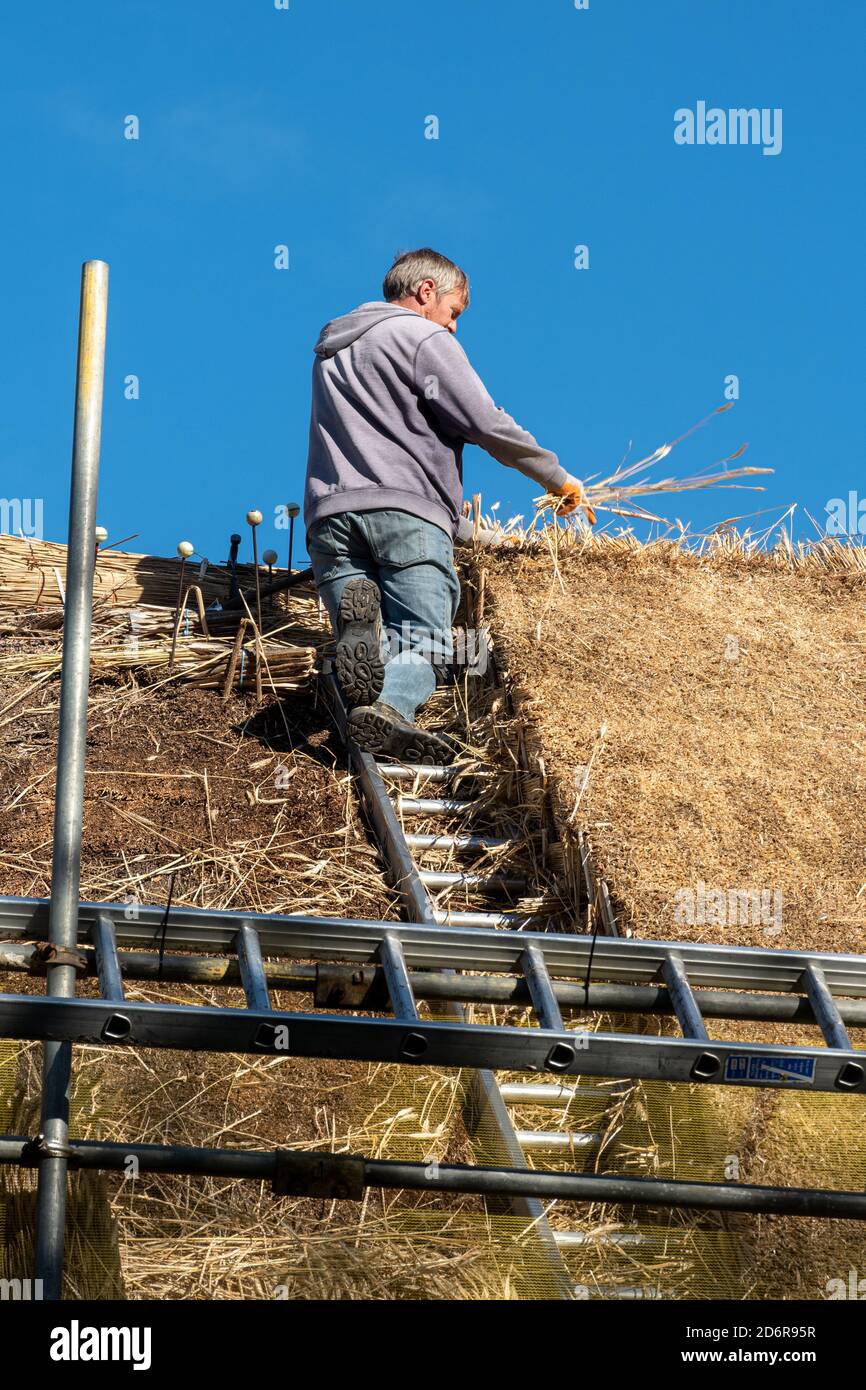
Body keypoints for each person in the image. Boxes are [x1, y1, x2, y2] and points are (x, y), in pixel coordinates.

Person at [304, 247, 591, 763]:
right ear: (426, 291)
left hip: (331, 518)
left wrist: (474, 534)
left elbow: (388, 452)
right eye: (454, 312)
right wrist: (557, 476)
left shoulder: (333, 352)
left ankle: (360, 633)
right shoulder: (421, 337)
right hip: (407, 520)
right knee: (427, 645)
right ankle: (391, 709)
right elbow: (483, 421)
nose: (454, 327)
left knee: (374, 632)